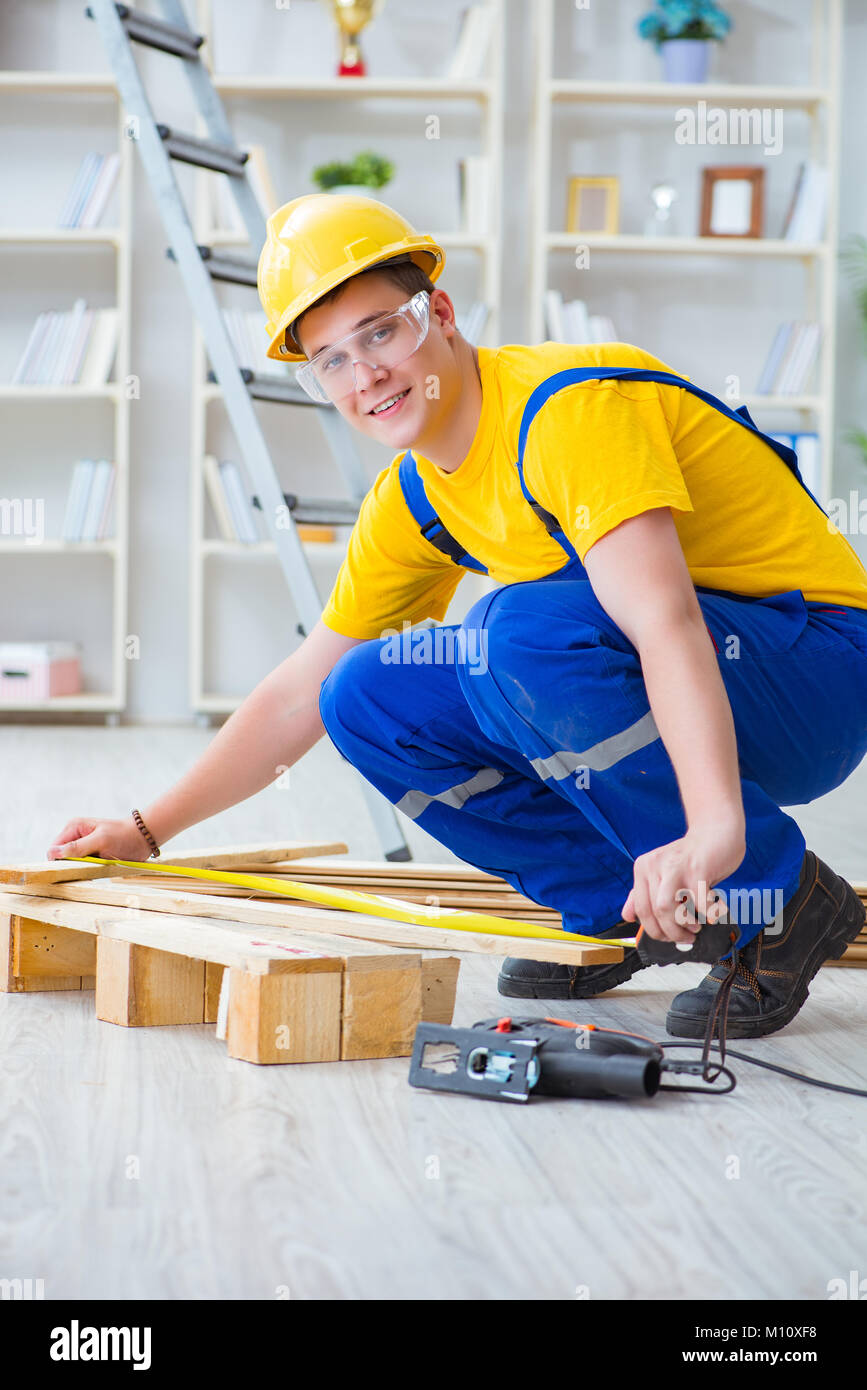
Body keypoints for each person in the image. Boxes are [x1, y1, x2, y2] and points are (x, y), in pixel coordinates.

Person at [48, 194, 867, 1040]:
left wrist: (718, 829)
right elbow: (302, 691)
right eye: (329, 360)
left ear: (438, 312)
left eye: (379, 332)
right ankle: (625, 908)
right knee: (364, 692)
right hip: (706, 689)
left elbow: (664, 624)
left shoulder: (565, 412)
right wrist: (147, 829)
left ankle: (777, 901)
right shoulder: (411, 495)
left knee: (515, 634)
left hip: (813, 674)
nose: (363, 375)